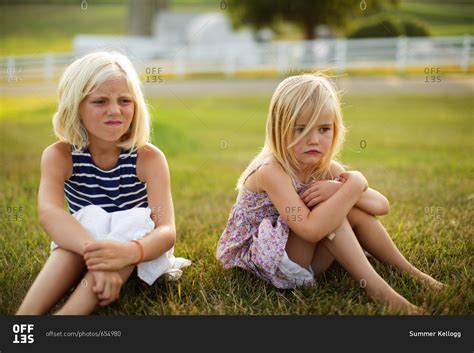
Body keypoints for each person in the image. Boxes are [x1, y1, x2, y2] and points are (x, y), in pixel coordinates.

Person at [216, 74, 444, 314]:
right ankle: (382, 293)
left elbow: (381, 205)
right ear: (278, 130)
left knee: (349, 209)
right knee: (330, 216)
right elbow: (311, 230)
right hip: (272, 261)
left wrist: (351, 182)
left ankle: (413, 274)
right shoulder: (272, 172)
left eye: (324, 129)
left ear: (336, 130)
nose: (313, 140)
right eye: (300, 129)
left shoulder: (324, 168)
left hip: (306, 257)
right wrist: (351, 187)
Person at [17, 51, 189, 315]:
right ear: (75, 107)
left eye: (124, 100)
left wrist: (128, 253)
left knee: (133, 221)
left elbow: (165, 230)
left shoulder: (149, 158)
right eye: (100, 101)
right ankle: (24, 321)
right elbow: (50, 213)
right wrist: (98, 257)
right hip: (83, 248)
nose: (114, 110)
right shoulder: (60, 155)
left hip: (137, 253)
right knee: (82, 225)